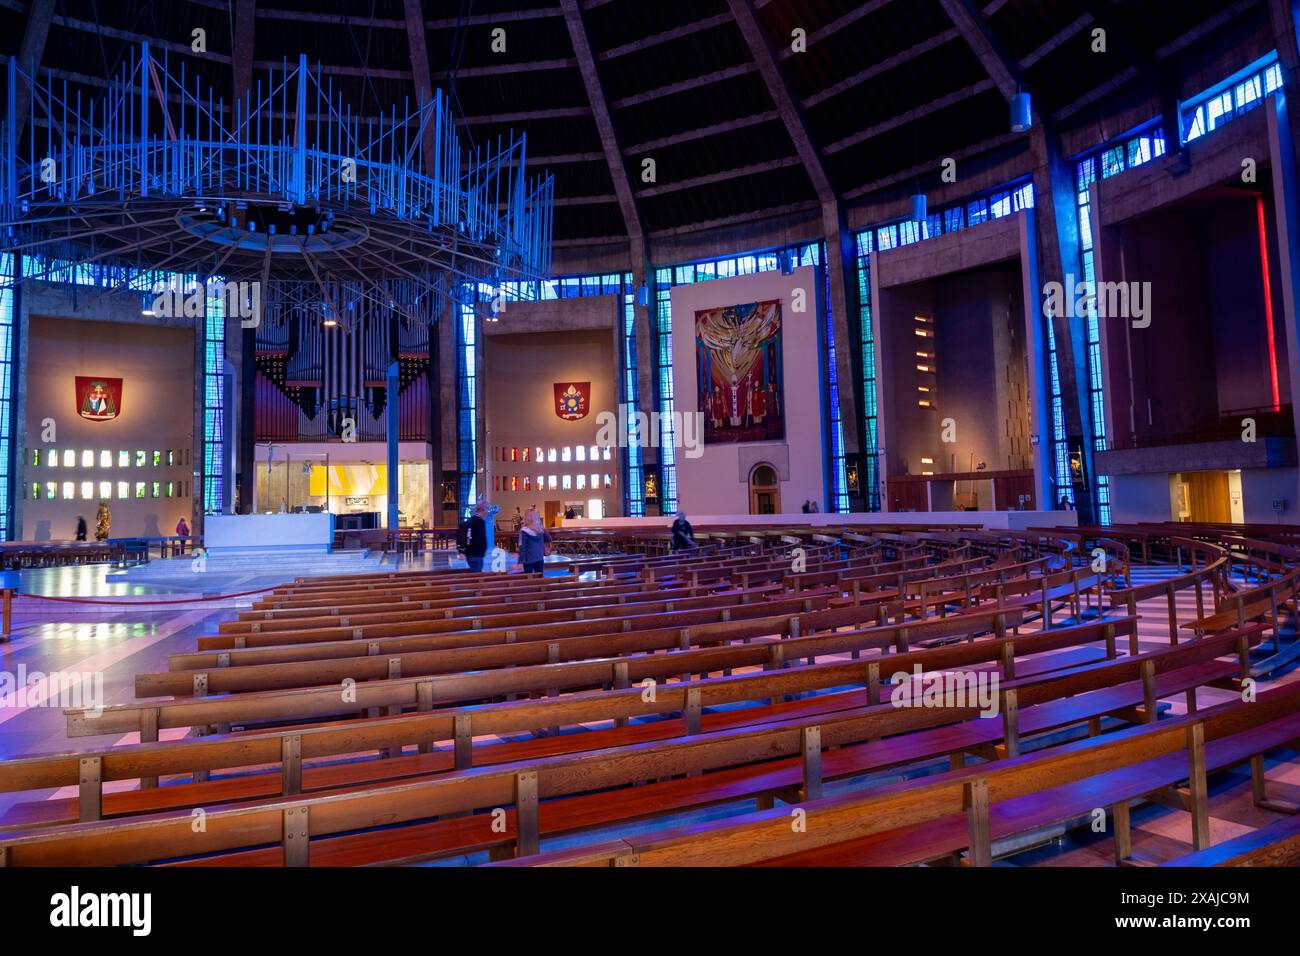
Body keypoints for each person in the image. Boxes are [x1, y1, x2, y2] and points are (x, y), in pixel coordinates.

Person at [518, 508, 551, 574]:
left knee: (528, 580)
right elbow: (549, 539)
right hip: (539, 557)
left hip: (528, 560)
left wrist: (521, 561)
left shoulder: (523, 531)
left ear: (526, 518)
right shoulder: (540, 529)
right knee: (539, 579)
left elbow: (522, 546)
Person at [463, 500, 489, 572]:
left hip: (470, 554)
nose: (487, 512)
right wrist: (482, 551)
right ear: (483, 509)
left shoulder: (471, 520)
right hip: (476, 555)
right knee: (476, 578)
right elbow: (480, 539)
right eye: (487, 509)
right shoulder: (480, 522)